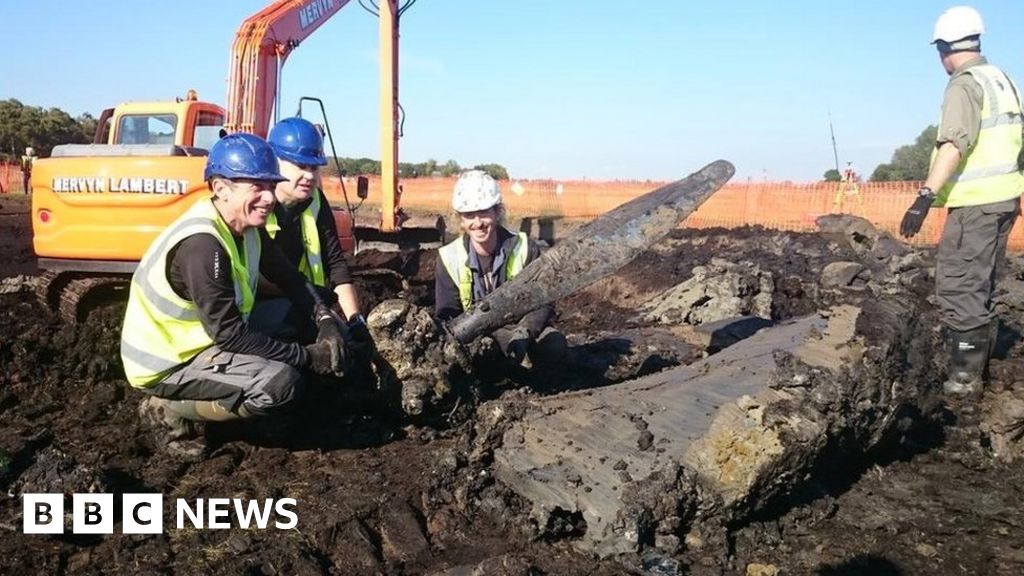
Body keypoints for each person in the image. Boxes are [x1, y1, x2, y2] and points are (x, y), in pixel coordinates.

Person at [120, 133, 349, 460]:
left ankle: (240, 396)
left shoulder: (246, 227)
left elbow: (292, 281)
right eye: (257, 187)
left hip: (210, 339)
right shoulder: (203, 245)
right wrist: (307, 357)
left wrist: (325, 319)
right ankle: (169, 408)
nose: (269, 197)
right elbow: (230, 335)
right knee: (281, 385)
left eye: (271, 186)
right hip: (171, 362)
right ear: (220, 188)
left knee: (295, 314)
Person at [899, 5, 1024, 397]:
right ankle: (976, 363)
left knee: (958, 285)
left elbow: (955, 143)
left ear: (944, 48)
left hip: (978, 205)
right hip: (1004, 200)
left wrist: (924, 197)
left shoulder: (964, 84)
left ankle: (966, 376)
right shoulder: (1000, 79)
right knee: (981, 282)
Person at [258, 117, 372, 359]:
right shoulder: (255, 205)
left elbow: (336, 264)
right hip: (259, 307)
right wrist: (314, 301)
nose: (309, 175)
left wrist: (355, 321)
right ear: (275, 162)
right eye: (301, 166)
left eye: (314, 167)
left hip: (303, 300)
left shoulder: (316, 201)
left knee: (346, 343)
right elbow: (252, 279)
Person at [435, 170, 565, 366]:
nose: (478, 223)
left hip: (521, 330)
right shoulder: (449, 258)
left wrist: (526, 331)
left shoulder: (524, 247)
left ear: (497, 212)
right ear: (461, 219)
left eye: (484, 212)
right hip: (476, 337)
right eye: (470, 215)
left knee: (554, 344)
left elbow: (544, 300)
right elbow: (447, 315)